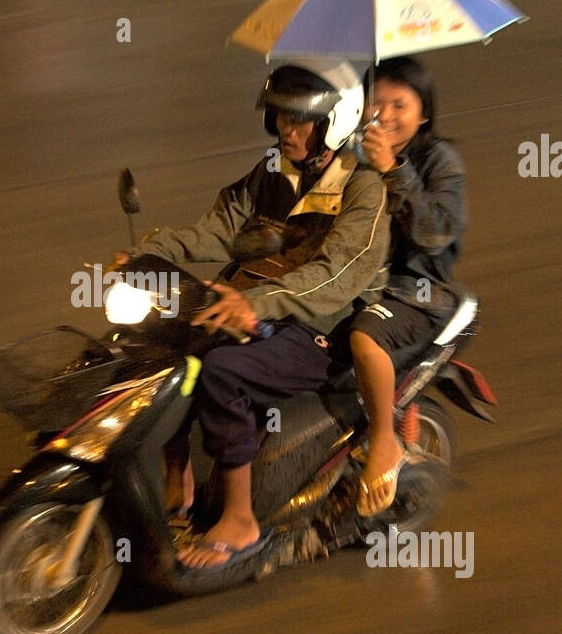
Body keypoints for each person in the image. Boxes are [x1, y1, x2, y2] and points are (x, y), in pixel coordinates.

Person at [114, 58, 390, 569]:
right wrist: (150, 253)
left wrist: (255, 302)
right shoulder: (274, 171)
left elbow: (334, 276)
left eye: (300, 120)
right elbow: (220, 228)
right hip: (256, 304)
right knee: (164, 340)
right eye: (281, 116)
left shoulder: (363, 188)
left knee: (222, 372)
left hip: (320, 326)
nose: (287, 130)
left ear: (335, 123)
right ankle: (179, 478)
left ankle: (240, 519)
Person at [346, 56, 468, 515]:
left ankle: (384, 442)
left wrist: (393, 168)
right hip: (354, 279)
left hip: (415, 290)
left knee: (365, 337)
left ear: (425, 113)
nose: (386, 114)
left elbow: (434, 233)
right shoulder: (349, 152)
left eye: (400, 105)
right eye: (376, 103)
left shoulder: (441, 161)